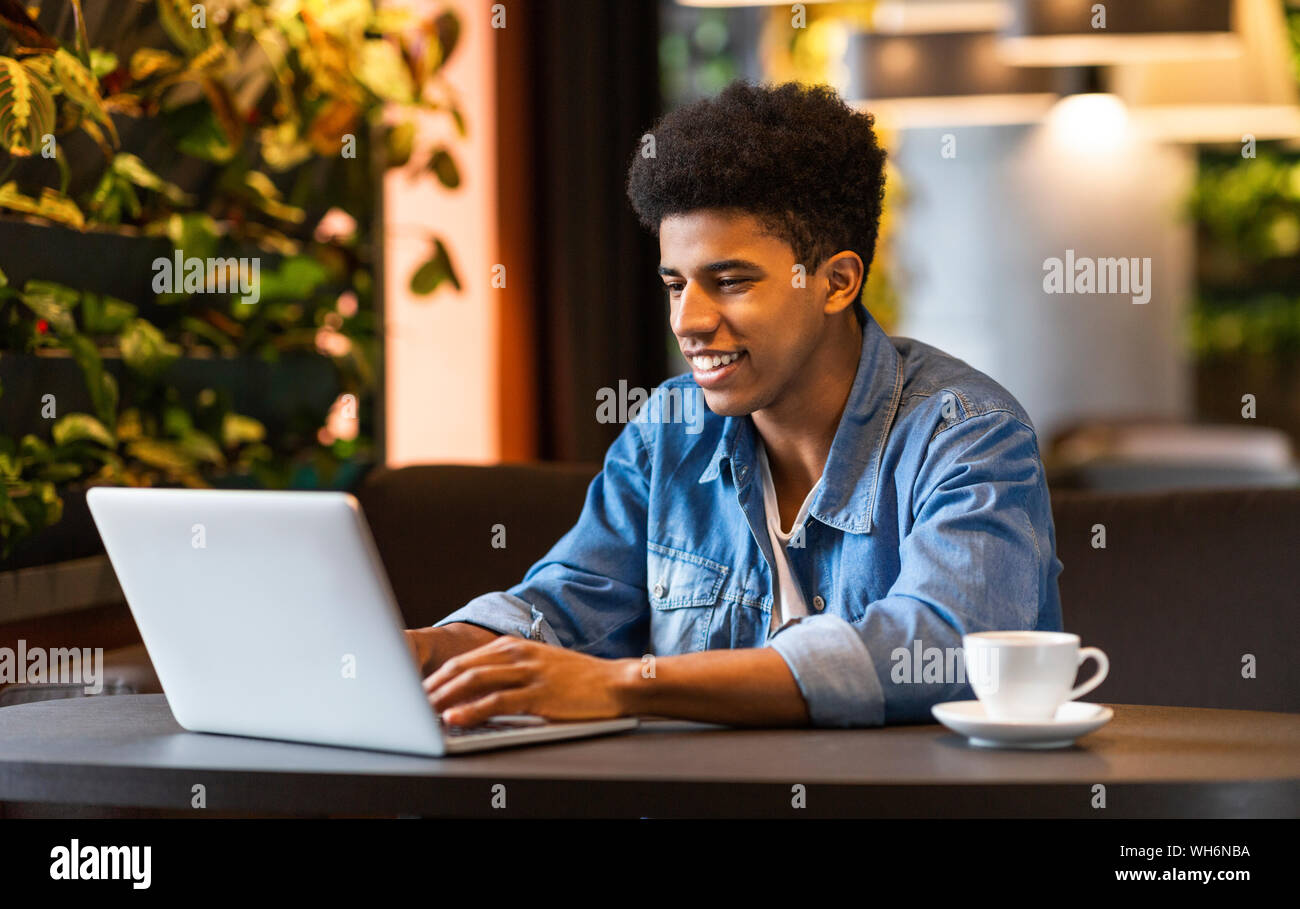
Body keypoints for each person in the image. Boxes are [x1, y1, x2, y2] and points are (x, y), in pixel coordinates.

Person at [405, 80, 1063, 728]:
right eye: (674, 285)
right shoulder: (666, 430)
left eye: (730, 281)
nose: (687, 320)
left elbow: (940, 648)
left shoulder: (969, 434)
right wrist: (428, 648)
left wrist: (627, 685)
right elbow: (562, 608)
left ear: (836, 283)